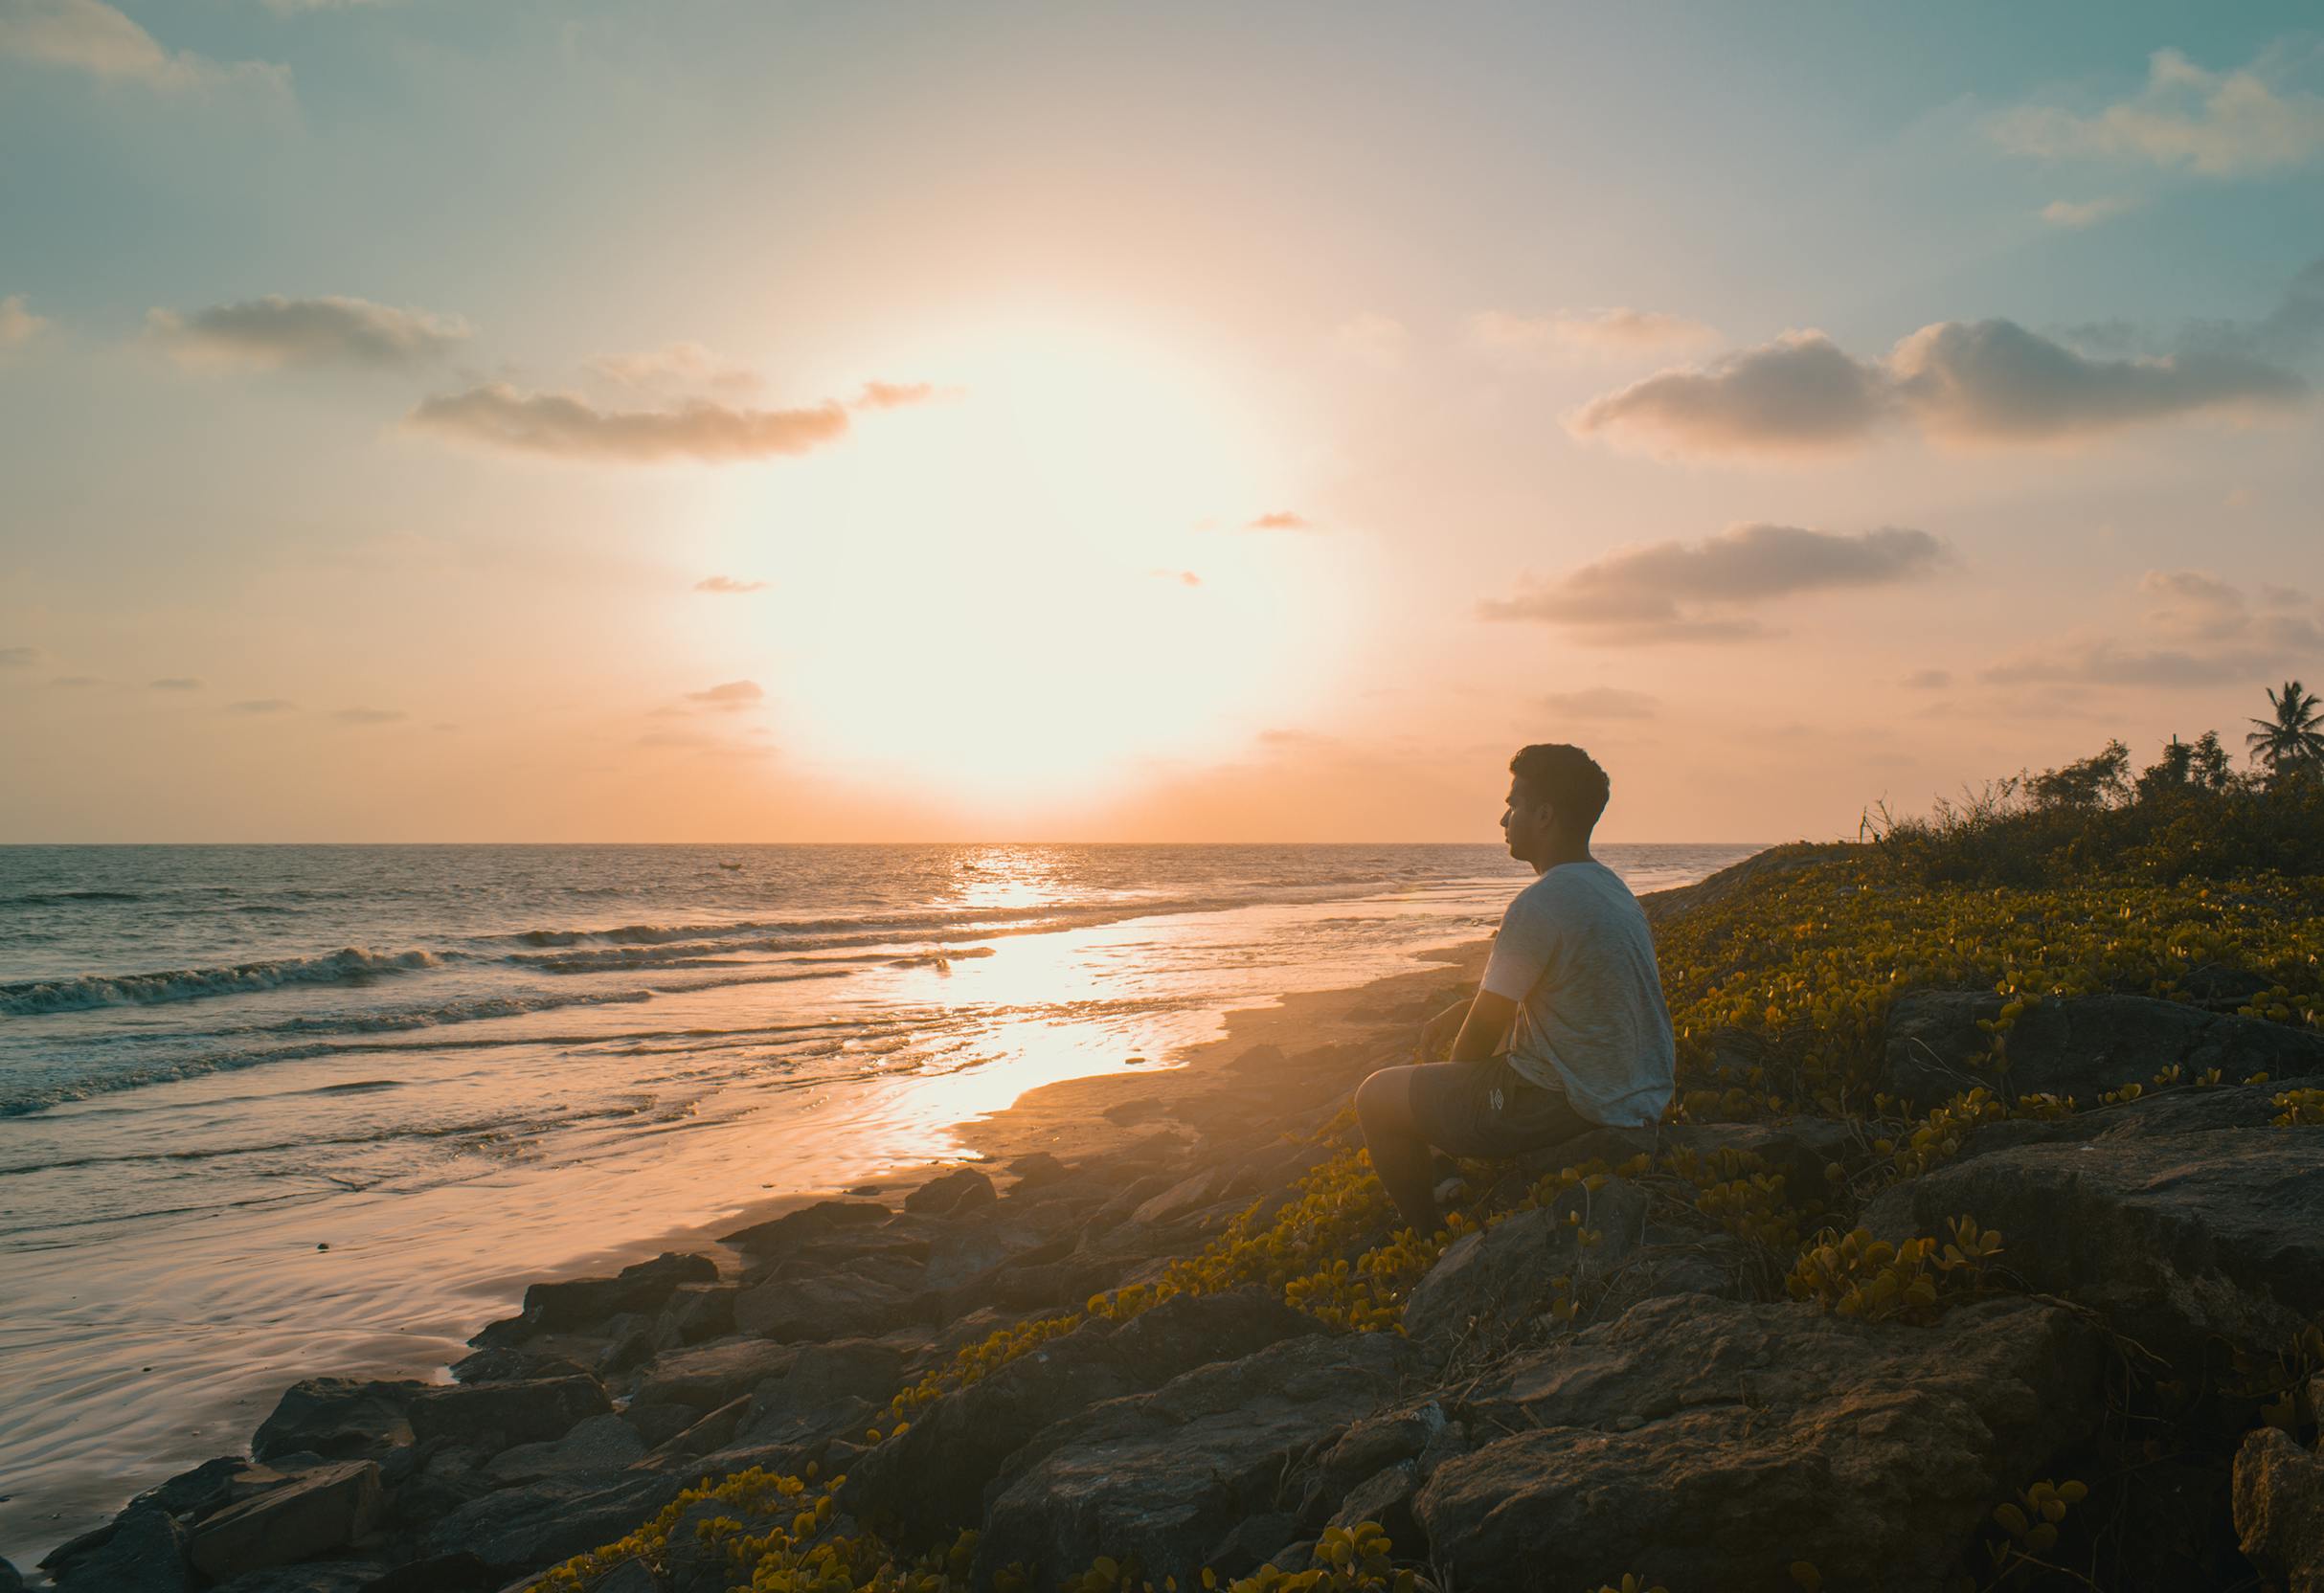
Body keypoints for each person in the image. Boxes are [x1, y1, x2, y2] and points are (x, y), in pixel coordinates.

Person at [1354, 743, 1676, 1231]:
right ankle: (1445, 1179)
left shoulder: (1540, 902)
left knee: (1376, 1096)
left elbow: (1480, 1036)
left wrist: (1456, 1098)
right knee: (1441, 1058)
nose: (1504, 819)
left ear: (1543, 815)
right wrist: (1465, 1013)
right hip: (1637, 1094)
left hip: (1570, 1102)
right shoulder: (1610, 888)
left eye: (1513, 805)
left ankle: (1427, 1238)